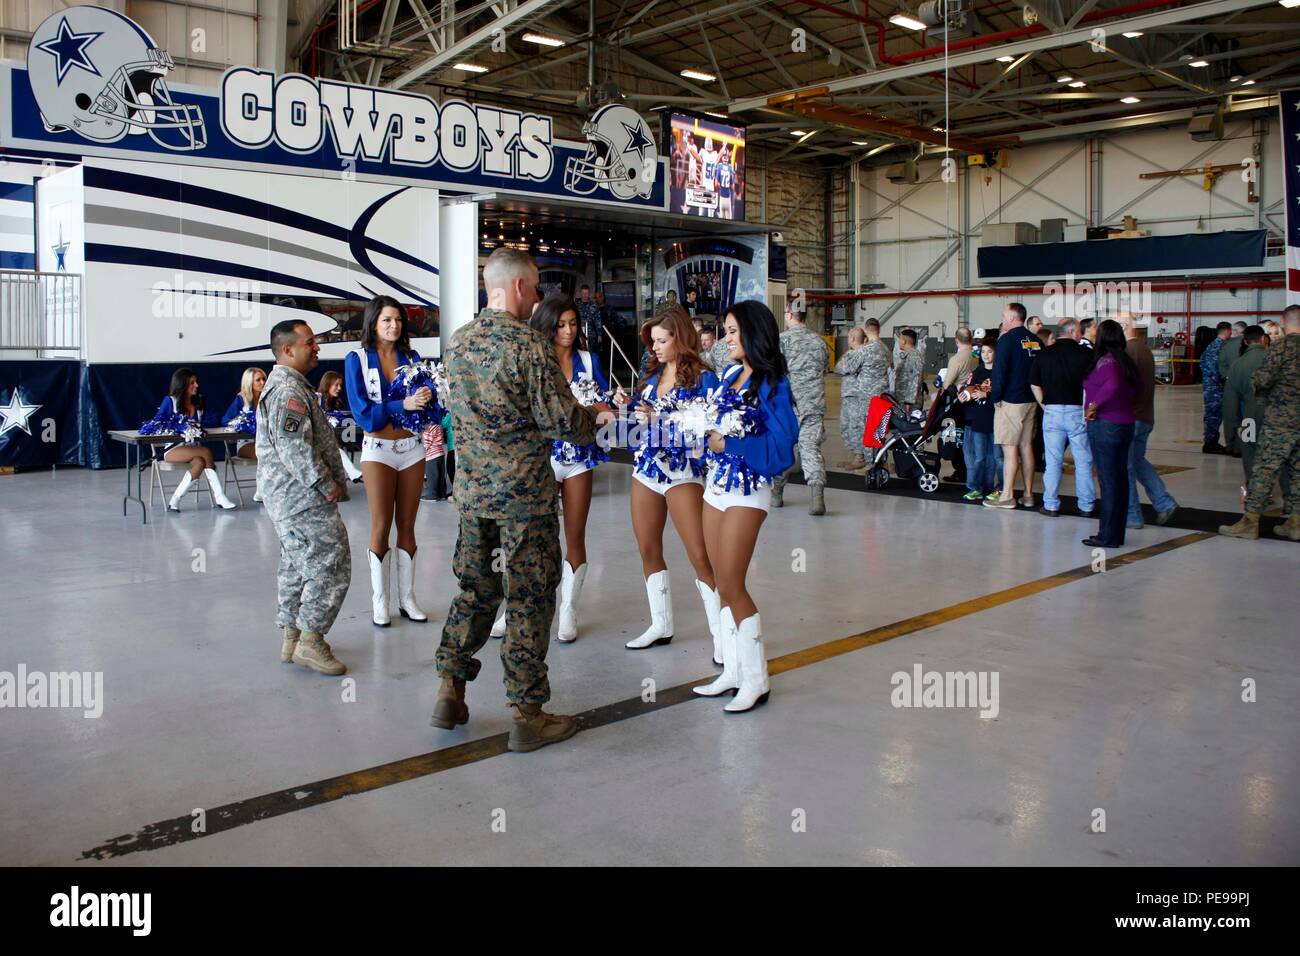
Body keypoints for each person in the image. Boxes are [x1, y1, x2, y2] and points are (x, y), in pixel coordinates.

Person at [431, 248, 611, 753]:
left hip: (472, 498)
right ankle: (527, 714)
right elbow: (562, 423)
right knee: (529, 599)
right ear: (515, 288)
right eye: (533, 288)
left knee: (474, 590)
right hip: (525, 502)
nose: (536, 298)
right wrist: (593, 415)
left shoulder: (459, 342)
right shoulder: (530, 347)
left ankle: (450, 689)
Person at [693, 301, 798, 713]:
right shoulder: (731, 374)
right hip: (714, 486)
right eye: (726, 330)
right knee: (720, 582)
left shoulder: (774, 383)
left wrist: (729, 442)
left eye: (733, 331)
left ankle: (756, 679)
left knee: (734, 585)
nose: (727, 338)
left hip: (748, 490)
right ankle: (733, 672)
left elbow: (780, 450)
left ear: (753, 332)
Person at [496, 295, 615, 643]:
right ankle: (515, 608)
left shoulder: (589, 360)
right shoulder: (534, 358)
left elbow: (604, 404)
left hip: (579, 457)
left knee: (575, 535)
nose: (568, 330)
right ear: (547, 325)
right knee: (527, 538)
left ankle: (568, 611)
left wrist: (593, 407)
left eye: (573, 323)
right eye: (561, 324)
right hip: (540, 459)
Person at [612, 306, 722, 655]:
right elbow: (639, 426)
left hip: (683, 472)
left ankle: (723, 638)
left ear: (681, 338)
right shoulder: (650, 377)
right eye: (652, 341)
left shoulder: (705, 377)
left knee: (700, 555)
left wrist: (662, 417)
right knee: (647, 548)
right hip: (646, 468)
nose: (655, 347)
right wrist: (626, 407)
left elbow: (708, 430)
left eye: (662, 340)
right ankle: (661, 625)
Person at [256, 320, 351, 676]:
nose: (317, 347)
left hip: (289, 499)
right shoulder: (289, 394)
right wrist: (326, 484)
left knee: (296, 565)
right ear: (287, 350)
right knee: (331, 563)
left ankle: (292, 636)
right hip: (302, 500)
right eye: (310, 342)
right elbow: (294, 448)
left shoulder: (290, 387)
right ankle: (311, 641)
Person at [344, 295, 433, 628]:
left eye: (398, 320)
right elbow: (364, 415)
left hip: (412, 447)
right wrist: (402, 406)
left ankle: (407, 598)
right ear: (373, 323)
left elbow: (424, 403)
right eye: (386, 320)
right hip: (377, 449)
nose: (394, 325)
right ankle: (379, 601)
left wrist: (427, 399)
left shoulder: (412, 357)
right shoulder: (356, 359)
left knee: (408, 527)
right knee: (381, 525)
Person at [1220, 307, 1300, 540]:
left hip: (1280, 421)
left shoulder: (1280, 348)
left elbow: (1262, 379)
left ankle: (1250, 521)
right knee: (1297, 472)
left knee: (1263, 470)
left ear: (1284, 321)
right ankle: (1295, 522)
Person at [1028, 319, 1095, 518]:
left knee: (1053, 460)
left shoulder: (1044, 354)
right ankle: (1086, 505)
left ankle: (1051, 504)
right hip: (1078, 412)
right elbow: (1093, 384)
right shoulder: (1087, 354)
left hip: (1052, 412)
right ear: (1073, 332)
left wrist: (1044, 405)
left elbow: (1034, 383)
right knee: (1083, 461)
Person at [1081, 319, 1139, 548]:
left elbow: (1112, 385)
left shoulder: (1106, 361)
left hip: (1106, 425)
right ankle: (1115, 534)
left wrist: (1095, 404)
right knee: (1120, 481)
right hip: (1125, 423)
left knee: (1108, 482)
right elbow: (1138, 388)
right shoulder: (1125, 361)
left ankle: (1107, 535)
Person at [148, 368, 238, 511]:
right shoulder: (170, 401)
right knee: (206, 452)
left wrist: (198, 424)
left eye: (196, 382)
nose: (196, 385)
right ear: (182, 385)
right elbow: (157, 423)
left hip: (194, 450)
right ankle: (220, 497)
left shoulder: (198, 402)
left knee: (200, 462)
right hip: (173, 449)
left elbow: (214, 420)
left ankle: (174, 500)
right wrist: (179, 425)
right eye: (192, 383)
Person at [1223, 324, 1290, 513]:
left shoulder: (1238, 364)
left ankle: (1256, 496)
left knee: (1251, 455)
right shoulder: (1275, 358)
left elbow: (1229, 401)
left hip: (1249, 417)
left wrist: (1232, 434)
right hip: (1276, 414)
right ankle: (1289, 500)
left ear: (1245, 341)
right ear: (1263, 339)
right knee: (1282, 456)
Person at [1120, 313, 1178, 529]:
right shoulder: (1144, 349)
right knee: (1137, 461)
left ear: (1125, 326)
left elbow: (1124, 386)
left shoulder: (1128, 351)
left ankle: (1132, 515)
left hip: (1130, 418)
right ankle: (1164, 502)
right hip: (1145, 416)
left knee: (1125, 467)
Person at [772, 307, 829, 515]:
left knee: (784, 447)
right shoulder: (819, 341)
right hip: (814, 403)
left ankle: (777, 493)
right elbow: (824, 369)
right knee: (810, 448)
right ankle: (816, 499)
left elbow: (774, 371)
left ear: (788, 316)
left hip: (789, 404)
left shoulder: (782, 340)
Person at [984, 302, 1041, 510]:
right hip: (1030, 400)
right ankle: (1028, 494)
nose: (1003, 319)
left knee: (1010, 450)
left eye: (1004, 316)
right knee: (1026, 447)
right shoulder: (1035, 341)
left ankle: (1007, 495)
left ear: (1011, 318)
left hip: (1010, 401)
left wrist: (995, 396)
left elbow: (999, 372)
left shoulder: (1007, 340)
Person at [959, 342, 997, 500]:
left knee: (995, 457)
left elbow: (1003, 392)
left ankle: (991, 487)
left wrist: (986, 394)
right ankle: (976, 487)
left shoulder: (1000, 372)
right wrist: (963, 394)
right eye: (983, 352)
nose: (986, 355)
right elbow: (966, 388)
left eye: (989, 351)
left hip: (995, 420)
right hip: (978, 420)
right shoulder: (977, 372)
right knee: (979, 457)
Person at [834, 326, 872, 472]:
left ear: (853, 339)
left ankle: (860, 457)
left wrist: (844, 363)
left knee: (856, 426)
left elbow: (840, 368)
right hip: (849, 394)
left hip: (856, 396)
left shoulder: (858, 353)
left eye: (849, 337)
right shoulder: (853, 353)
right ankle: (856, 455)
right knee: (846, 426)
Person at [318, 370, 365, 483]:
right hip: (313, 439)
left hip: (328, 438)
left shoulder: (335, 403)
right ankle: (353, 472)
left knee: (334, 443)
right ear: (327, 384)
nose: (339, 388)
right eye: (336, 385)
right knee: (333, 444)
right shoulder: (317, 398)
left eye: (340, 385)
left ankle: (353, 473)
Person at [1218, 321, 1250, 456]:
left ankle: (1231, 446)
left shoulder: (1226, 345)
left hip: (1230, 386)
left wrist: (1228, 378)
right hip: (1247, 386)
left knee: (1231, 416)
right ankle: (1244, 445)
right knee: (1246, 415)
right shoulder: (1249, 344)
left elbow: (1221, 364)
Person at [1200, 321, 1233, 454]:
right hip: (1214, 388)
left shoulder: (1213, 345)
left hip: (1212, 386)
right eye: (1230, 331)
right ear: (1227, 331)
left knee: (1213, 415)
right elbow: (1215, 369)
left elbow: (1202, 362)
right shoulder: (1218, 346)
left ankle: (1211, 442)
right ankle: (1210, 444)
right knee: (1213, 415)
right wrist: (1223, 382)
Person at [223, 367, 266, 460]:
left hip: (266, 442)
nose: (263, 383)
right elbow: (226, 420)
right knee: (267, 454)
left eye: (264, 379)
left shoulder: (268, 398)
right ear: (249, 383)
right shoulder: (241, 399)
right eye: (258, 380)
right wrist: (242, 423)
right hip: (246, 444)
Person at [892, 329, 925, 414]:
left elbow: (915, 379)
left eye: (900, 339)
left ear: (903, 340)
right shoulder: (908, 354)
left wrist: (909, 402)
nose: (899, 341)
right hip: (903, 399)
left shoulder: (914, 356)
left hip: (909, 404)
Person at [576, 284, 605, 354]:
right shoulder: (576, 305)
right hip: (580, 334)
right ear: (581, 293)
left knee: (591, 353)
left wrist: (599, 334)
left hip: (591, 335)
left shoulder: (594, 305)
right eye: (583, 293)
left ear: (589, 293)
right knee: (581, 353)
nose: (585, 295)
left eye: (586, 293)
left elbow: (598, 320)